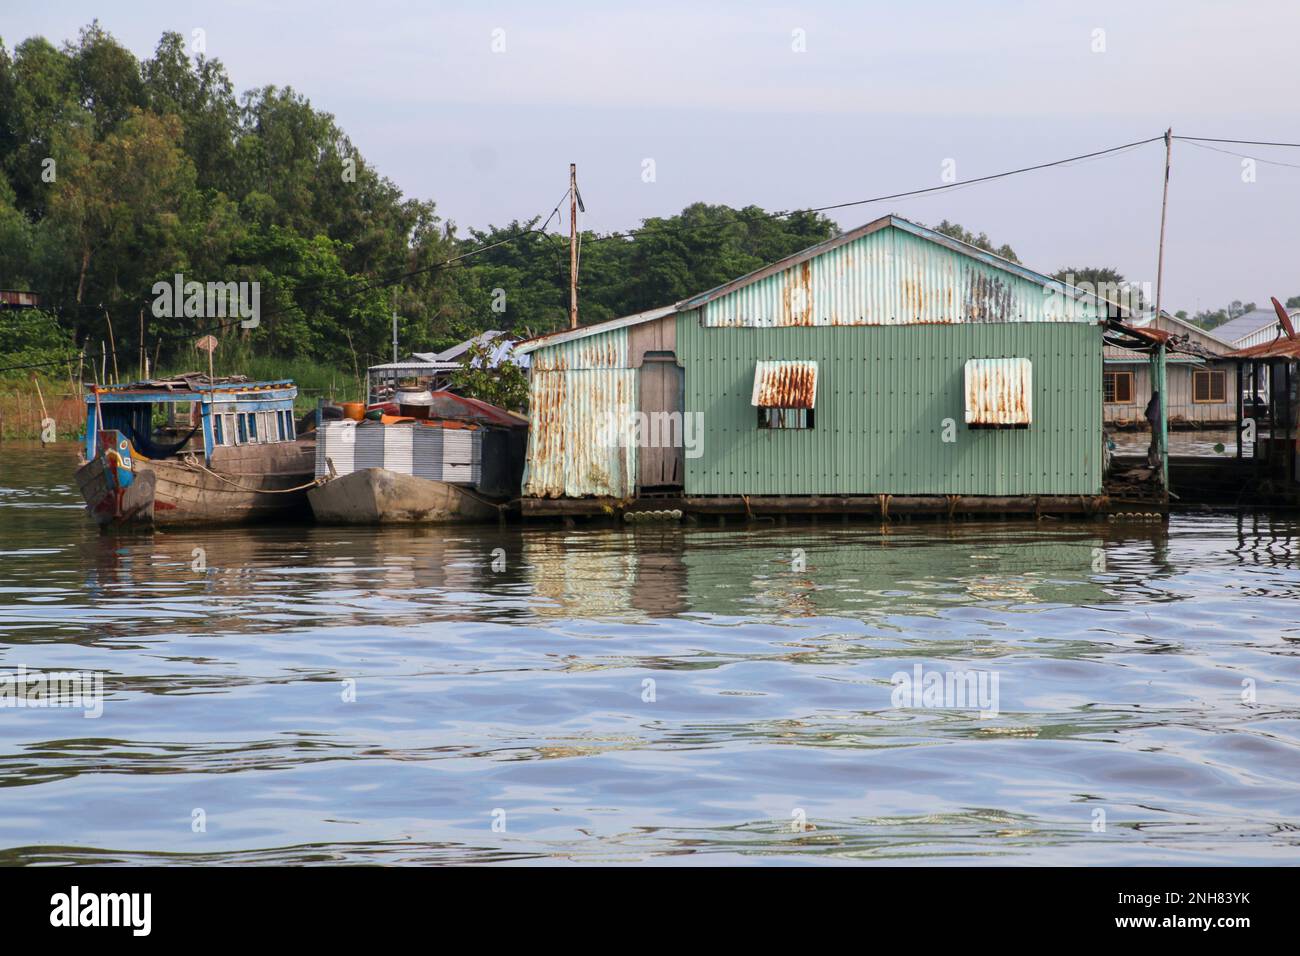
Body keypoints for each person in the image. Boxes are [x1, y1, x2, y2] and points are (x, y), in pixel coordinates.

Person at [1144, 390, 1162, 467]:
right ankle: (1154, 460)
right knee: (1155, 442)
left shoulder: (1156, 400)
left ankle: (1154, 460)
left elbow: (1149, 414)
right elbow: (1151, 416)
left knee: (1154, 442)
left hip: (1156, 426)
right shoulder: (1157, 400)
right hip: (1156, 426)